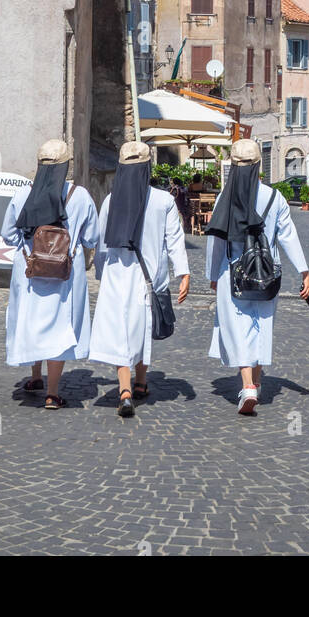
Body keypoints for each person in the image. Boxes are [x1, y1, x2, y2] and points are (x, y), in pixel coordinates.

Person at [206, 138, 309, 415]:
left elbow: (216, 241)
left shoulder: (224, 197)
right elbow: (288, 236)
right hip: (267, 273)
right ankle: (255, 381)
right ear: (258, 166)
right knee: (260, 327)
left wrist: (212, 274)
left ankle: (248, 385)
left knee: (237, 329)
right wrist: (305, 273)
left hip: (233, 270)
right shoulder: (274, 197)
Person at [91, 141, 190, 417]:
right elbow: (174, 240)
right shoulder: (163, 201)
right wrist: (183, 272)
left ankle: (124, 389)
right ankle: (141, 382)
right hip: (150, 277)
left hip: (117, 277)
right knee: (143, 328)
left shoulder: (111, 200)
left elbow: (101, 244)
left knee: (121, 332)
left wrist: (100, 272)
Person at [1, 139, 99, 410]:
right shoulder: (79, 196)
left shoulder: (22, 195)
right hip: (66, 274)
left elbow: (8, 236)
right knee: (59, 327)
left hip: (29, 272)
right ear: (66, 166)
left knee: (31, 320)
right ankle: (53, 393)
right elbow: (92, 238)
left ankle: (35, 377)